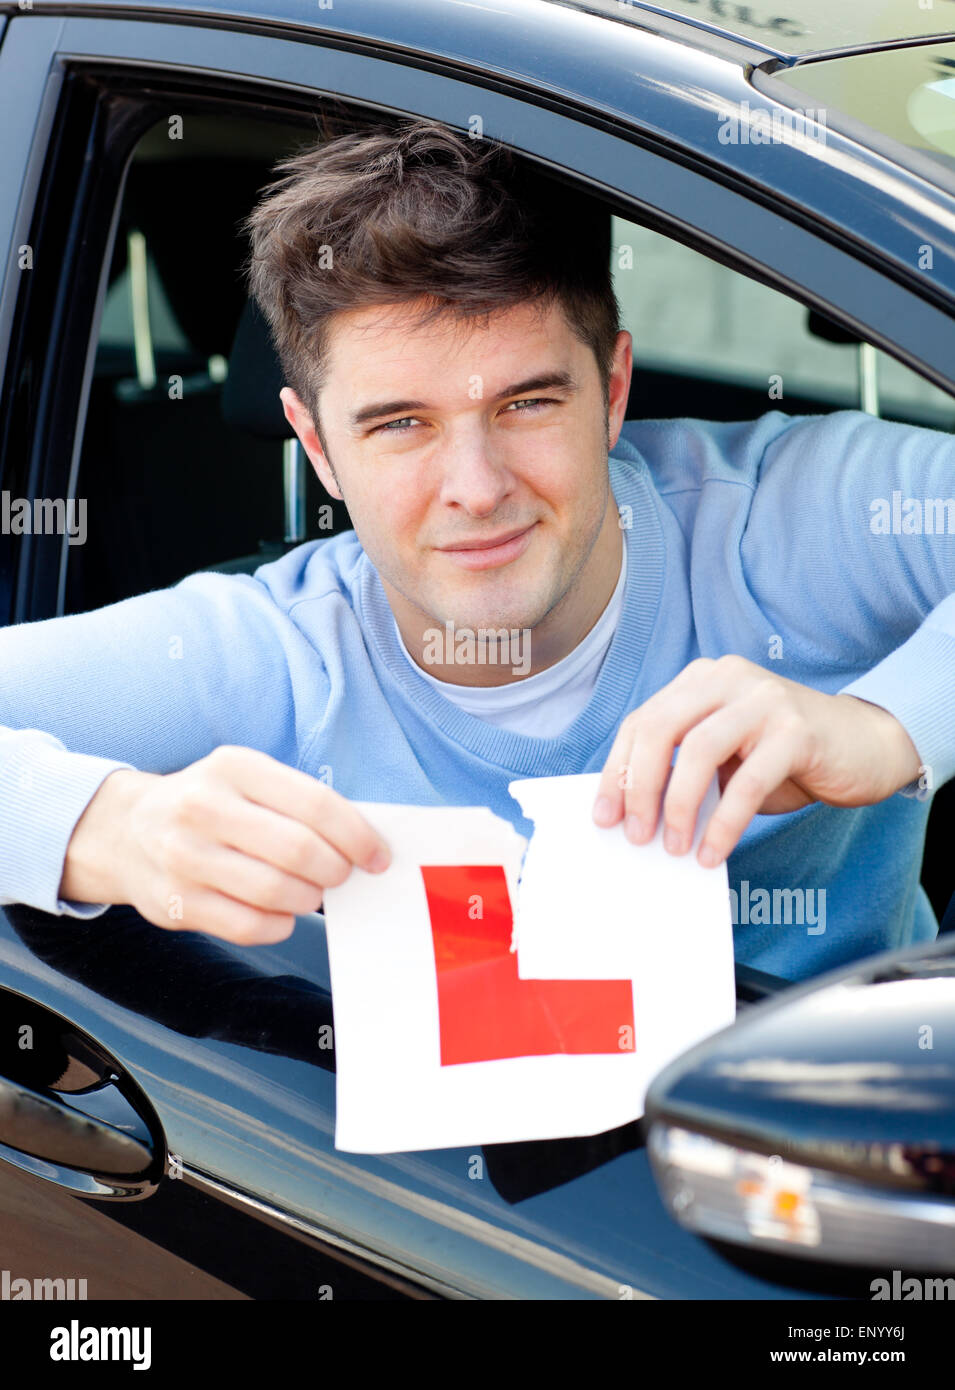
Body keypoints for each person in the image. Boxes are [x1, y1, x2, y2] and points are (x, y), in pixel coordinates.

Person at [1, 118, 952, 982]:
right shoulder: (265, 651)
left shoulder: (786, 520)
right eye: (401, 425)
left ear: (614, 390)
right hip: (416, 1176)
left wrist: (880, 732)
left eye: (526, 403)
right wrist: (106, 826)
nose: (477, 486)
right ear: (318, 446)